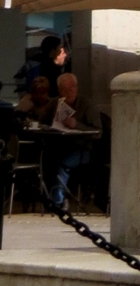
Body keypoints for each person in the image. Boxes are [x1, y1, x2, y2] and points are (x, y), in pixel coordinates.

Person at [40, 72, 100, 210]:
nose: (69, 91)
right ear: (59, 91)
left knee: (63, 164)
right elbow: (43, 123)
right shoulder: (54, 103)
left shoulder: (87, 105)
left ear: (77, 87)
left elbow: (98, 132)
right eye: (64, 89)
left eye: (72, 87)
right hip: (58, 145)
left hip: (81, 148)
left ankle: (57, 203)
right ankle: (50, 196)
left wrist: (77, 125)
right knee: (46, 161)